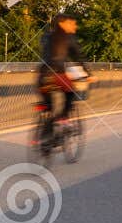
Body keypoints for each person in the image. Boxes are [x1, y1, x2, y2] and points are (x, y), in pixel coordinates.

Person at [36, 11, 90, 147]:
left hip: (42, 76)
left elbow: (49, 53)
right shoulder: (68, 37)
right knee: (71, 93)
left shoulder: (46, 36)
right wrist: (88, 74)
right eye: (72, 23)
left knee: (48, 107)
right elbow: (78, 57)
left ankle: (44, 137)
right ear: (62, 23)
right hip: (58, 75)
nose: (75, 26)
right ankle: (62, 119)